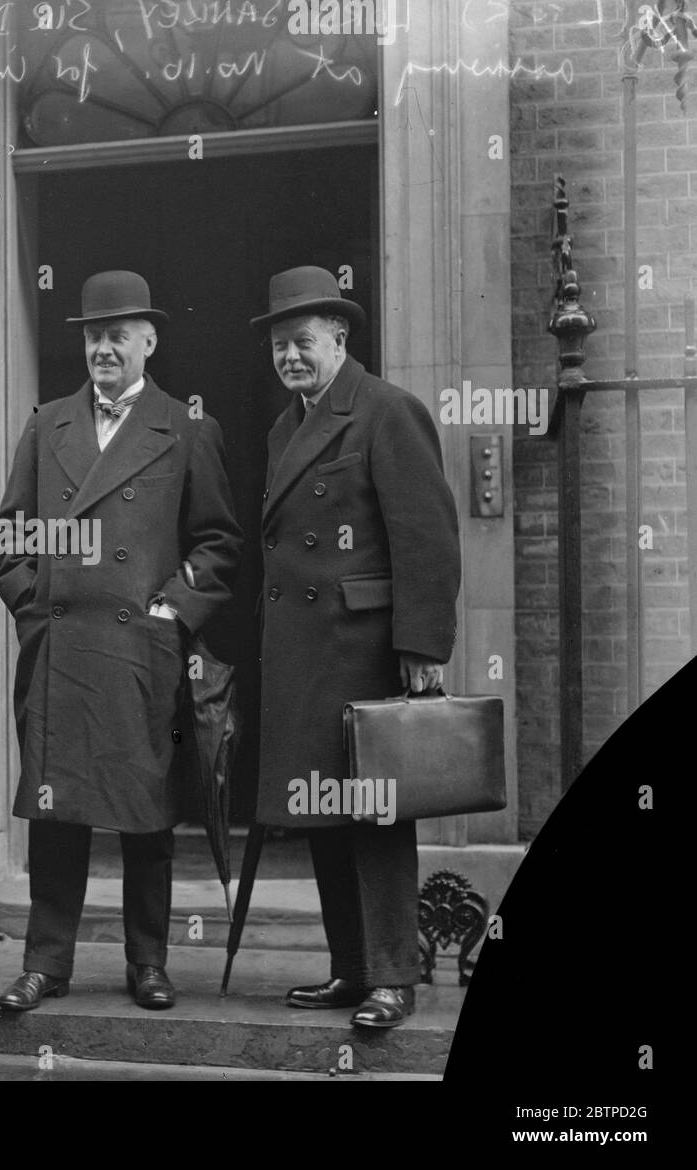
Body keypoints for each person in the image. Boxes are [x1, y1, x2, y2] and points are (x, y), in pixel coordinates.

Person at [0, 270, 241, 1012]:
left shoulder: (187, 428)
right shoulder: (48, 425)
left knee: (146, 813)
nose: (104, 347)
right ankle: (46, 962)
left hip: (141, 651)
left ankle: (148, 964)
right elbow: (10, 540)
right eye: (94, 335)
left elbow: (219, 543)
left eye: (118, 335)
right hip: (62, 649)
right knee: (55, 807)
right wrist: (36, 609)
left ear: (149, 341)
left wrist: (172, 609)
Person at [250, 266, 461, 1028]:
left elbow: (427, 538)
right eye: (279, 346)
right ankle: (350, 970)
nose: (290, 358)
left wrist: (423, 646)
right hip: (308, 655)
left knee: (376, 818)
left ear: (339, 338)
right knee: (324, 812)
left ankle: (393, 978)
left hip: (367, 652)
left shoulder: (386, 412)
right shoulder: (286, 427)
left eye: (302, 342)